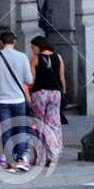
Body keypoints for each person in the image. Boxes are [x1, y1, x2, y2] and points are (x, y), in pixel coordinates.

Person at [0, 30, 33, 170]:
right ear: (14, 42)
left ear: (1, 42)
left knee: (6, 129)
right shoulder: (22, 57)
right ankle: (21, 158)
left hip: (2, 100)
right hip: (19, 99)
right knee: (20, 128)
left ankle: (9, 160)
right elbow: (29, 80)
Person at [29, 35, 65, 167]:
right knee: (54, 125)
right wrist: (63, 93)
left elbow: (32, 80)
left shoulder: (35, 59)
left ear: (39, 46)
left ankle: (41, 157)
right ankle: (54, 156)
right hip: (55, 93)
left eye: (33, 47)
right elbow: (62, 78)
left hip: (40, 93)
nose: (33, 50)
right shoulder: (58, 57)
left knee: (40, 125)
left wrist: (27, 89)